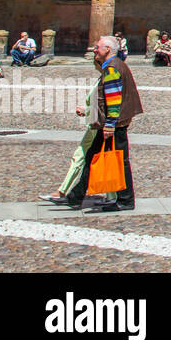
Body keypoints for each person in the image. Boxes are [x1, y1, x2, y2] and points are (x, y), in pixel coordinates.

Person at [61, 36, 144, 212]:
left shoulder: (113, 67)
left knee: (119, 160)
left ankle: (125, 200)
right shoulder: (114, 65)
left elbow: (113, 98)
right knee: (93, 156)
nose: (94, 50)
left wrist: (110, 124)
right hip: (112, 123)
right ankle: (76, 196)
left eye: (97, 47)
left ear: (107, 49)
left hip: (113, 124)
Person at [38, 86, 116, 208]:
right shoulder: (104, 76)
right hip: (94, 125)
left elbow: (106, 105)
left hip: (99, 126)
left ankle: (112, 197)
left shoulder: (108, 75)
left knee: (101, 159)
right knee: (82, 156)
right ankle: (63, 191)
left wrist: (87, 111)